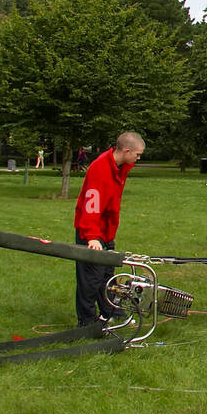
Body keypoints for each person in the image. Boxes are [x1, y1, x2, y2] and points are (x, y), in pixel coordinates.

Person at [73, 132, 145, 326]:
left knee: (108, 275)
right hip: (92, 233)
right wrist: (92, 237)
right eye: (137, 154)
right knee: (90, 279)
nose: (138, 158)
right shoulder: (100, 169)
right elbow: (91, 206)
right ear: (126, 151)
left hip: (106, 232)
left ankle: (110, 310)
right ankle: (87, 321)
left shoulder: (120, 167)